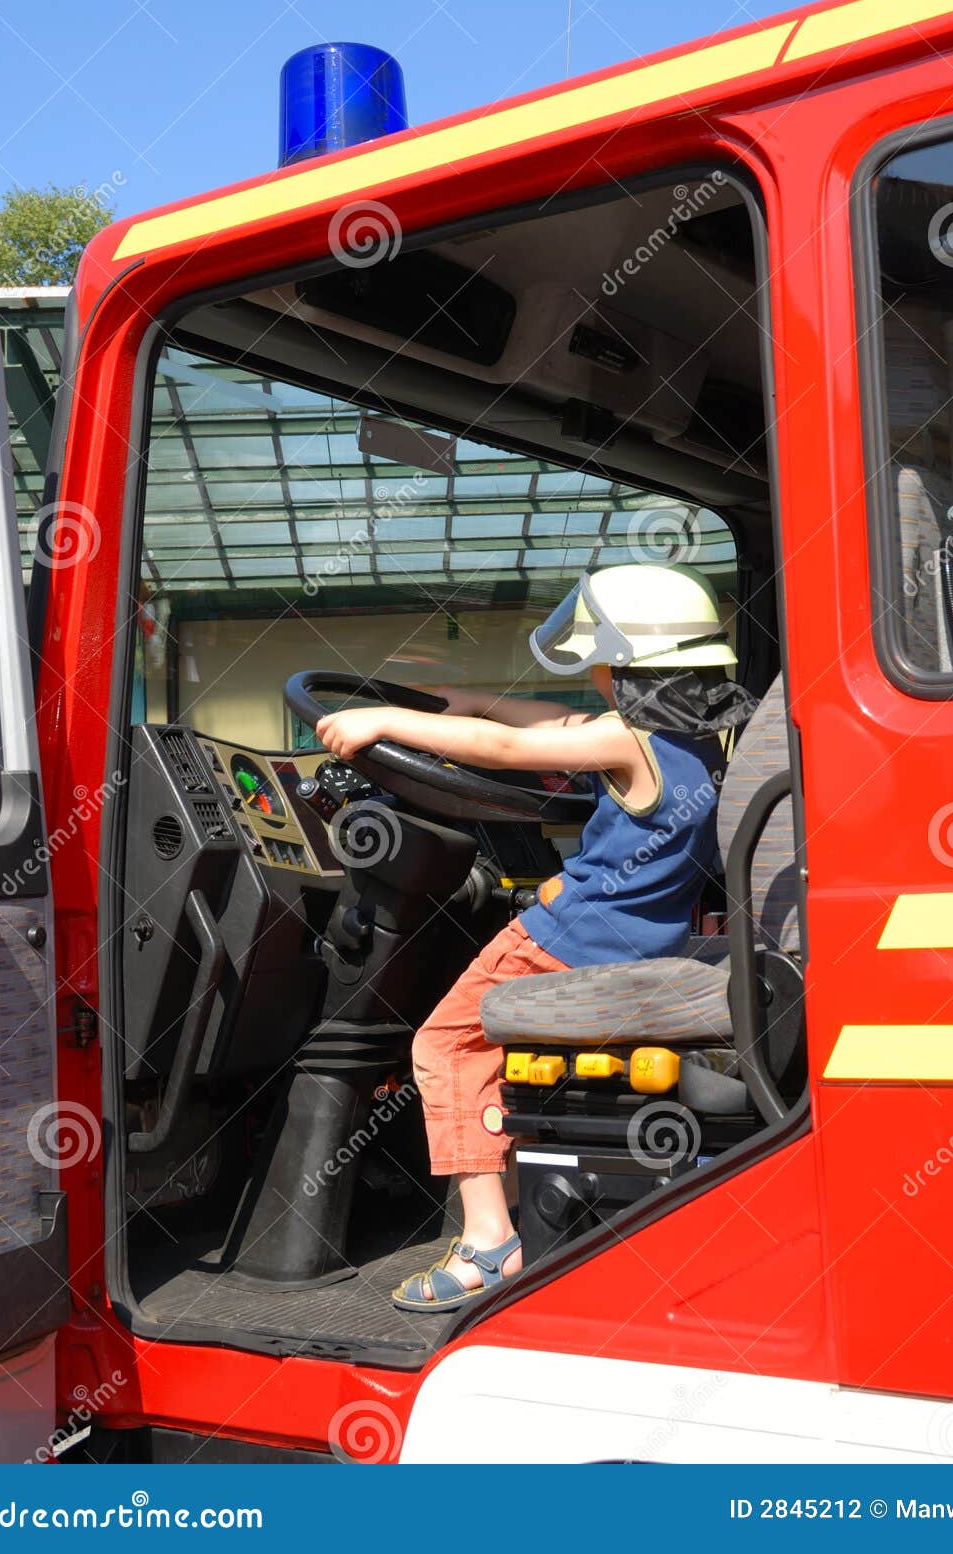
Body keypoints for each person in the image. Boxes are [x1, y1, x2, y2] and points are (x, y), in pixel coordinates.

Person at [316, 562, 755, 1312]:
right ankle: (509, 1206)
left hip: (564, 943)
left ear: (626, 668)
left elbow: (513, 751)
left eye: (602, 666)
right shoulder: (700, 741)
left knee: (444, 1045)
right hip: (638, 943)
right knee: (483, 1046)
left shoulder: (626, 739)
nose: (595, 680)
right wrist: (477, 702)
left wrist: (383, 723)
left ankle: (489, 1241)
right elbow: (550, 726)